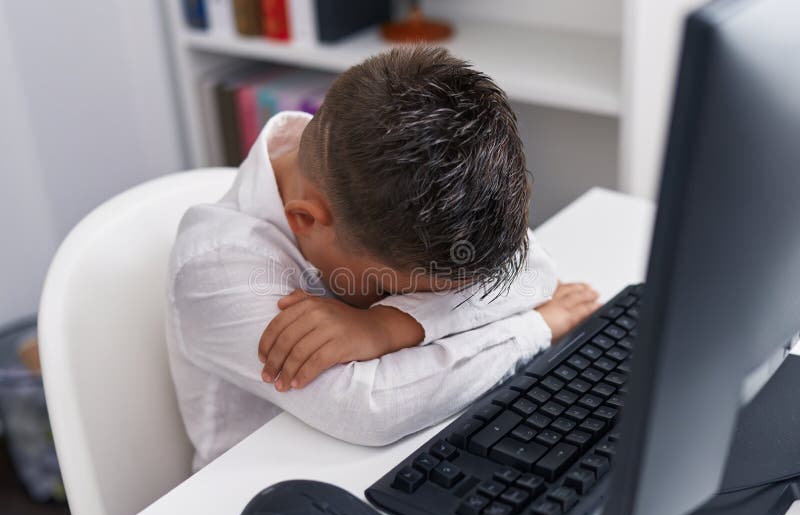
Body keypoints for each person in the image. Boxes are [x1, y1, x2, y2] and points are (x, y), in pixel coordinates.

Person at [166, 46, 599, 470]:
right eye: (395, 289)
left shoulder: (392, 185)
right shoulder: (217, 265)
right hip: (265, 492)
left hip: (399, 453)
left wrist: (389, 326)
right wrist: (535, 328)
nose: (404, 299)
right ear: (306, 219)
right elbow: (368, 408)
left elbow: (534, 271)